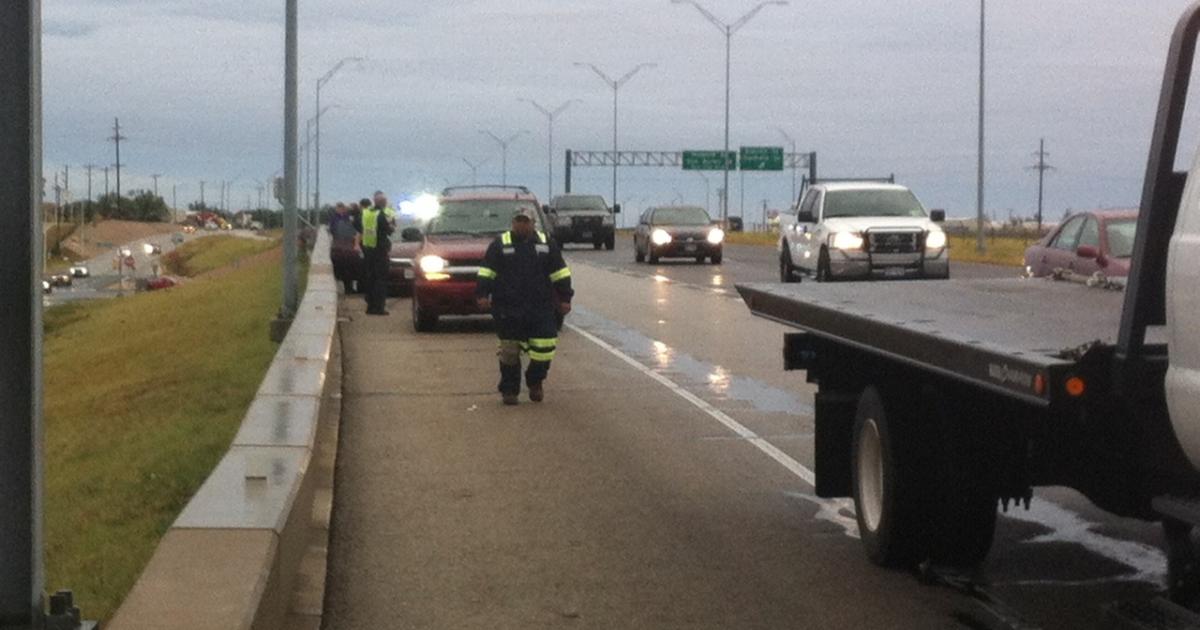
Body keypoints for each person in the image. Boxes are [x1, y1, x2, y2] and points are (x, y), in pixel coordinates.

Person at [475, 208, 573, 405]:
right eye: (518, 221)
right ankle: (509, 390)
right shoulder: (500, 245)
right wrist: (482, 294)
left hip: (541, 307)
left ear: (533, 223)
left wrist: (565, 298)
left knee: (544, 348)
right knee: (509, 352)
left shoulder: (546, 244)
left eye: (525, 221)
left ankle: (535, 381)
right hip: (507, 308)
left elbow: (560, 273)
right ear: (512, 223)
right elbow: (487, 272)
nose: (521, 225)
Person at [354, 191, 397, 315]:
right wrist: (391, 226)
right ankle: (379, 307)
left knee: (370, 278)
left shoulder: (366, 213)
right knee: (381, 279)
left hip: (368, 249)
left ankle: (370, 307)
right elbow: (389, 230)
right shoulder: (382, 215)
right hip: (380, 250)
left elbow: (356, 224)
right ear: (384, 203)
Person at [328, 202, 361, 294]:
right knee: (343, 268)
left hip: (345, 246)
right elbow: (333, 230)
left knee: (347, 268)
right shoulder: (336, 219)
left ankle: (348, 287)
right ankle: (347, 287)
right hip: (342, 246)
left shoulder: (346, 218)